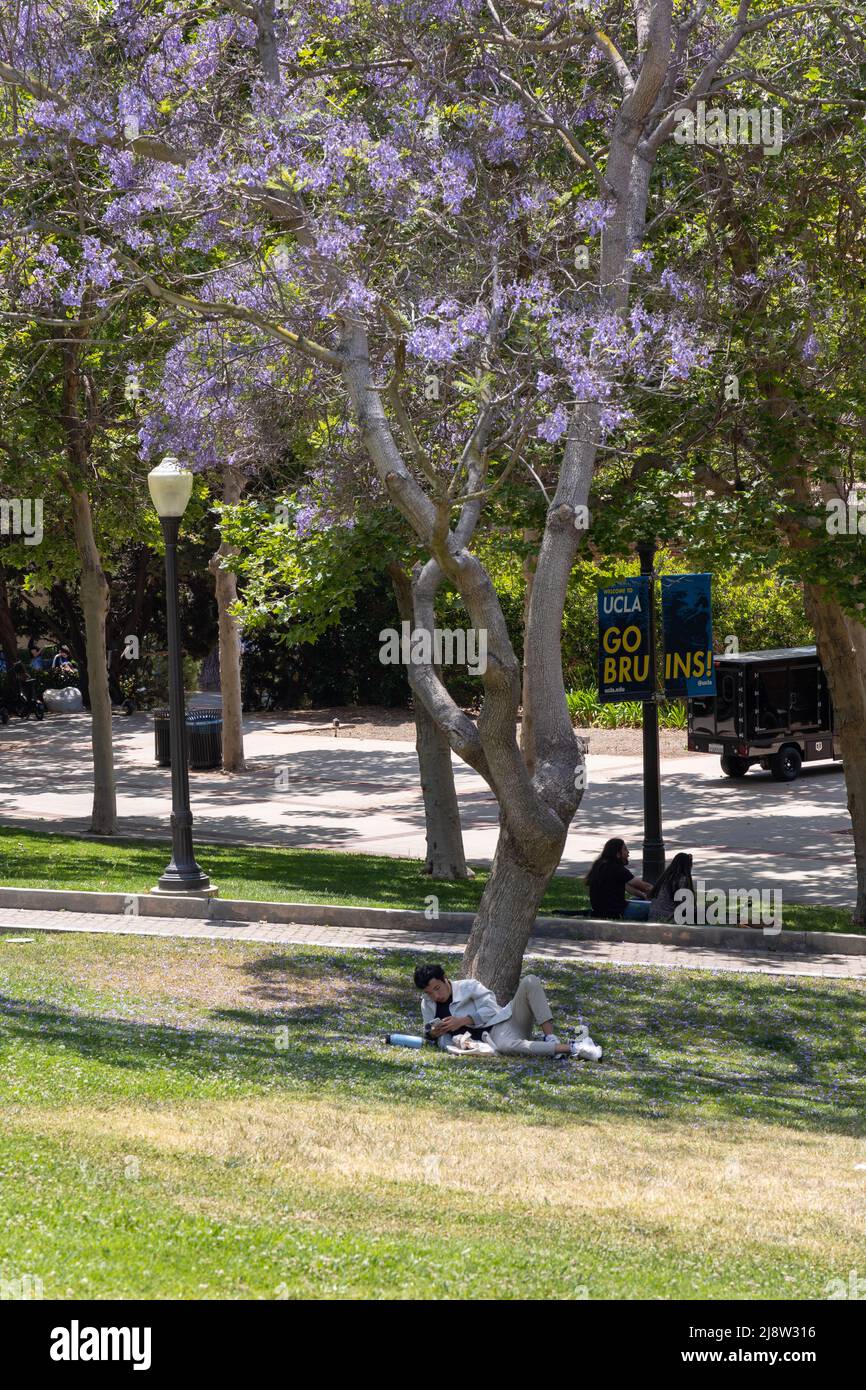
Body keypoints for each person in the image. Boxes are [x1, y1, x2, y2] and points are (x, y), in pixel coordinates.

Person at [413, 962, 602, 1061]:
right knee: (506, 1047)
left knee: (529, 980)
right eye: (429, 993)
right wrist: (432, 1033)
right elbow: (430, 1031)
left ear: (445, 979)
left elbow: (492, 1009)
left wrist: (463, 1020)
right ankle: (575, 1048)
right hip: (487, 1041)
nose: (435, 996)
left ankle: (550, 1038)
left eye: (437, 988)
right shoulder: (427, 1003)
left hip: (502, 1023)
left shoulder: (469, 986)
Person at [585, 837, 654, 921]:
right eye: (625, 849)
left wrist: (643, 896)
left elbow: (628, 887)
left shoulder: (599, 865)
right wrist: (660, 893)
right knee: (656, 907)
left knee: (638, 899)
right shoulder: (617, 869)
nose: (628, 852)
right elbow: (645, 887)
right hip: (617, 913)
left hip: (600, 911)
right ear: (618, 854)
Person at [648, 852, 695, 924]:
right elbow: (687, 907)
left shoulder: (664, 877)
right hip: (669, 921)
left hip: (652, 918)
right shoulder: (683, 879)